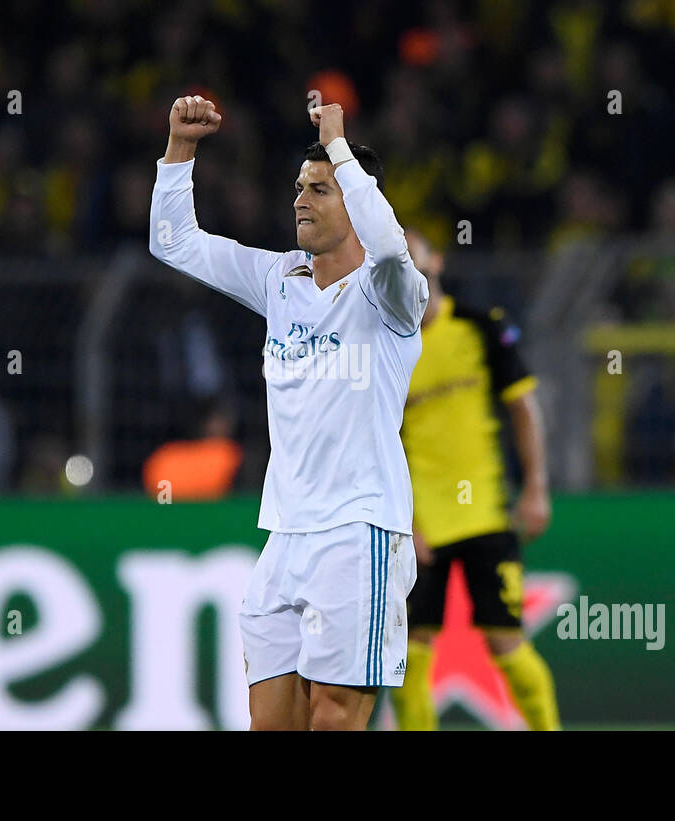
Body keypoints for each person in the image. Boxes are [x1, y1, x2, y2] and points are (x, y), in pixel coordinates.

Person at [150, 95, 429, 730]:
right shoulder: (280, 281)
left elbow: (389, 247)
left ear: (357, 201)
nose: (300, 199)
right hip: (285, 535)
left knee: (333, 719)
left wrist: (339, 146)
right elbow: (173, 244)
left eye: (321, 189)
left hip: (360, 531)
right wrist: (180, 152)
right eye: (300, 187)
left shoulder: (391, 295)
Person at [390, 229, 560, 731]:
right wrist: (404, 523)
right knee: (410, 659)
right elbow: (382, 443)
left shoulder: (482, 327)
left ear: (437, 262)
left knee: (507, 644)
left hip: (485, 513)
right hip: (423, 527)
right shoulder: (388, 347)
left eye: (416, 263)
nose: (412, 276)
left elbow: (523, 407)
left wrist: (536, 487)